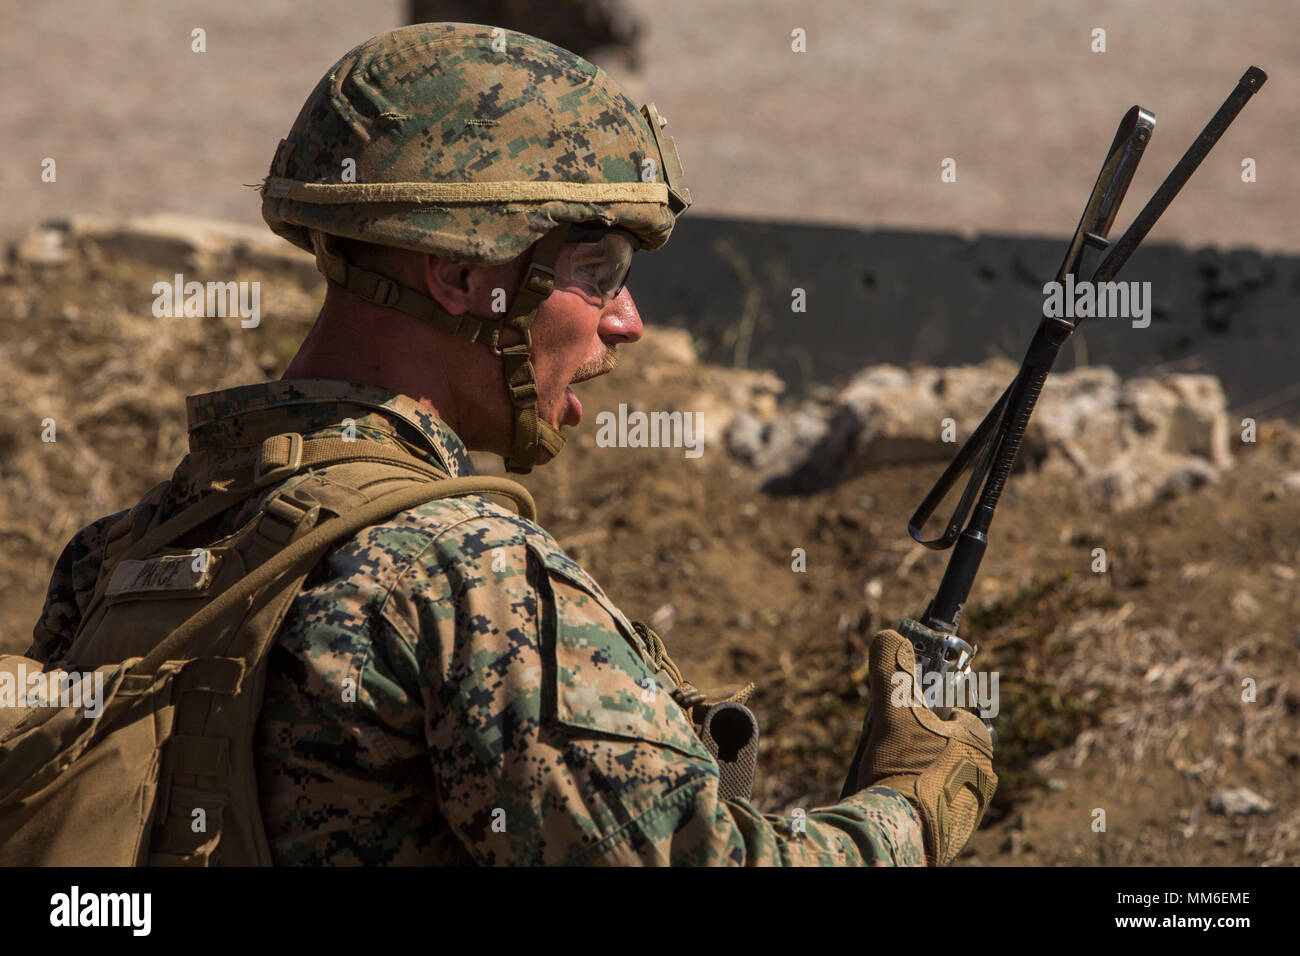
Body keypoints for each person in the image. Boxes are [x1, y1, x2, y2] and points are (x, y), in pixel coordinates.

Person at [27, 22, 994, 865]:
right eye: (597, 269)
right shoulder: (464, 578)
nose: (627, 322)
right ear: (458, 275)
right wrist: (915, 796)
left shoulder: (120, 557)